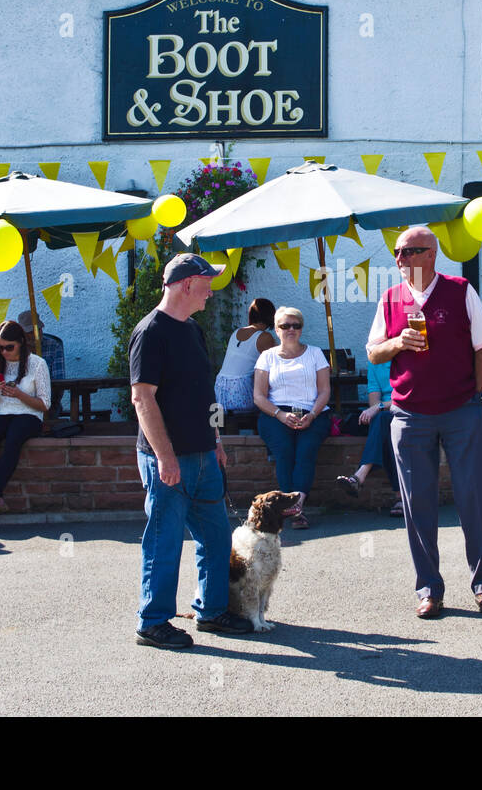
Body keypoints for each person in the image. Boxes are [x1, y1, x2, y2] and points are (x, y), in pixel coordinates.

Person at [366, 226, 482, 619]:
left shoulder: (461, 291)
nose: (400, 259)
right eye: (397, 252)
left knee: (473, 499)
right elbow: (374, 353)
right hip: (408, 415)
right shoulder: (390, 298)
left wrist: (477, 397)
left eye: (408, 251)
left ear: (431, 254)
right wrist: (398, 343)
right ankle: (429, 590)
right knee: (417, 506)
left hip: (461, 411)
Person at [131, 252, 253, 649]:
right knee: (164, 541)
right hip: (168, 458)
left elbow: (204, 394)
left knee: (216, 538)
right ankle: (152, 622)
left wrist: (216, 440)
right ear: (186, 284)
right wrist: (164, 457)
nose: (211, 293)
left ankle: (212, 610)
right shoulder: (151, 332)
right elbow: (142, 399)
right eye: (207, 284)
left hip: (202, 454)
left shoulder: (192, 330)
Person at [253, 306, 332, 530]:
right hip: (275, 413)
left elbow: (325, 391)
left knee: (305, 452)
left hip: (312, 412)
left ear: (301, 328)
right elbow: (259, 396)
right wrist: (279, 414)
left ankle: (296, 508)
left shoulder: (315, 354)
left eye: (295, 325)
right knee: (284, 452)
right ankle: (292, 508)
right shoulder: (267, 357)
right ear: (276, 330)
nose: (291, 329)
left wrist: (313, 414)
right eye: (285, 325)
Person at [0, 320, 50, 519]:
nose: (5, 352)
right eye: (0, 348)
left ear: (21, 343)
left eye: (9, 347)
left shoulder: (37, 363)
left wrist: (19, 395)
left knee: (14, 438)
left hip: (29, 414)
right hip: (0, 412)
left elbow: (44, 404)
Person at [336, 356, 403, 516]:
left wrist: (380, 406)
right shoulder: (376, 361)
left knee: (383, 421)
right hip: (385, 416)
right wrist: (379, 407)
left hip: (411, 411)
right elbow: (374, 402)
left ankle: (360, 476)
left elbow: (411, 396)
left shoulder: (411, 356)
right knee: (385, 425)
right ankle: (401, 497)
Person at [215, 298, 276, 413]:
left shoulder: (236, 332)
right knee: (269, 400)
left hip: (220, 392)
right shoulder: (264, 337)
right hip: (240, 393)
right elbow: (276, 364)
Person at [17, 309, 65, 381]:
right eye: (31, 332)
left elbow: (59, 381)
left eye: (38, 329)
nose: (36, 335)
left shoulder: (54, 346)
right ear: (22, 333)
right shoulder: (14, 347)